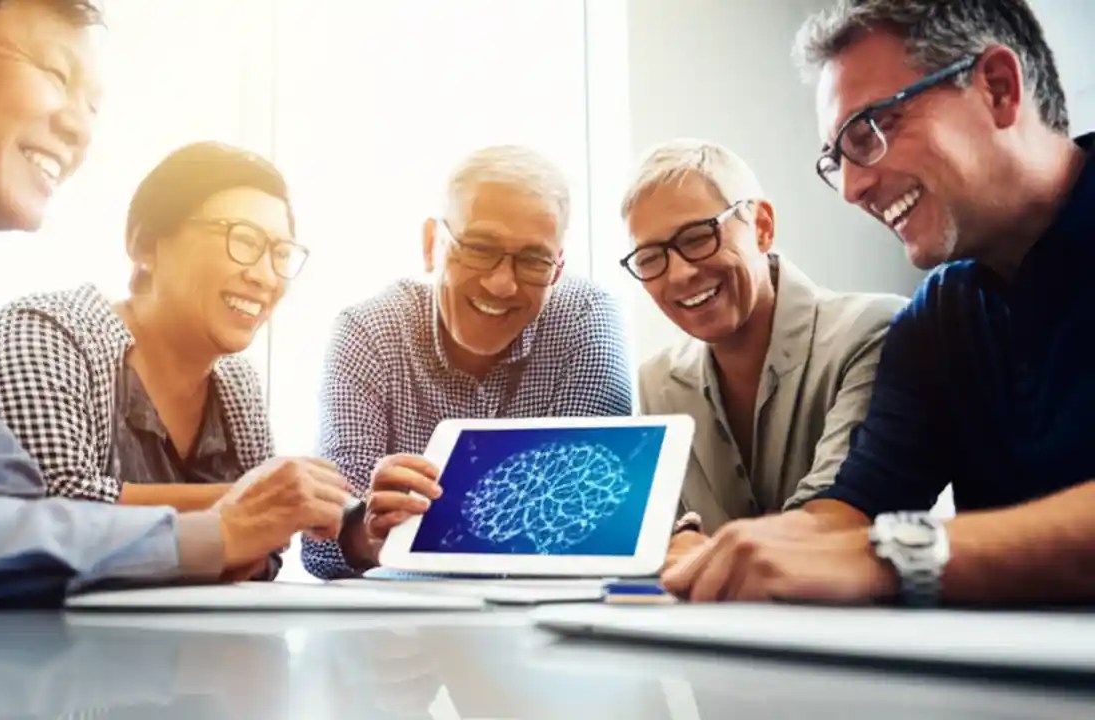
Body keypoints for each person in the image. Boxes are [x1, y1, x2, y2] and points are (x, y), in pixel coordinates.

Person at [0, 0, 349, 606]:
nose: (79, 130)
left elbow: (18, 511)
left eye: (91, 106)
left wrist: (240, 531)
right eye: (55, 75)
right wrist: (210, 534)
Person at [663, 0, 1095, 606]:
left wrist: (896, 556)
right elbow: (855, 509)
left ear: (998, 88)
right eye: (835, 159)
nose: (851, 186)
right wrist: (731, 555)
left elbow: (864, 546)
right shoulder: (939, 316)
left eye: (868, 132)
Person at [302, 145, 635, 579]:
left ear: (557, 268)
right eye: (478, 247)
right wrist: (364, 532)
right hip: (405, 615)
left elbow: (588, 523)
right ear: (431, 245)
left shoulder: (584, 320)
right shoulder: (369, 332)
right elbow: (321, 547)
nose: (501, 284)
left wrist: (415, 533)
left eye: (533, 260)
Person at [0, 142, 312, 579]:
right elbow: (50, 507)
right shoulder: (44, 330)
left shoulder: (236, 383)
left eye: (281, 253)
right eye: (243, 240)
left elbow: (267, 549)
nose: (265, 275)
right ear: (145, 245)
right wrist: (258, 505)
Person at [622, 138, 904, 565]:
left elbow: (838, 518)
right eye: (649, 259)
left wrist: (690, 550)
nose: (678, 274)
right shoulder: (655, 383)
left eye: (698, 238)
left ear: (761, 227)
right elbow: (659, 536)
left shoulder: (871, 331)